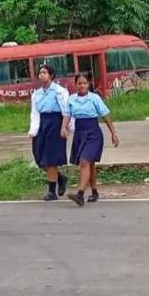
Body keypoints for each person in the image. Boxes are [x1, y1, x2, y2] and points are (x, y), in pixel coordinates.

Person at [62, 73, 119, 205]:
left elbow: (105, 115)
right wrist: (63, 127)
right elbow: (67, 115)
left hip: (93, 133)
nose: (82, 86)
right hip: (79, 133)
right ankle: (94, 192)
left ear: (88, 84)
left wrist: (113, 133)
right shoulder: (71, 99)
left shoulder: (94, 98)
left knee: (85, 161)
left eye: (85, 83)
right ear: (75, 84)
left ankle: (80, 194)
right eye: (79, 83)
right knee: (90, 164)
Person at [28, 64, 69, 201]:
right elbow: (34, 112)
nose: (42, 75)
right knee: (39, 155)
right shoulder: (36, 93)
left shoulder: (59, 91)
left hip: (55, 123)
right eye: (40, 73)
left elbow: (66, 110)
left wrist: (65, 126)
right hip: (42, 123)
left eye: (45, 72)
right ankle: (60, 178)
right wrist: (33, 129)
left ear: (51, 75)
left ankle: (52, 191)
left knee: (51, 158)